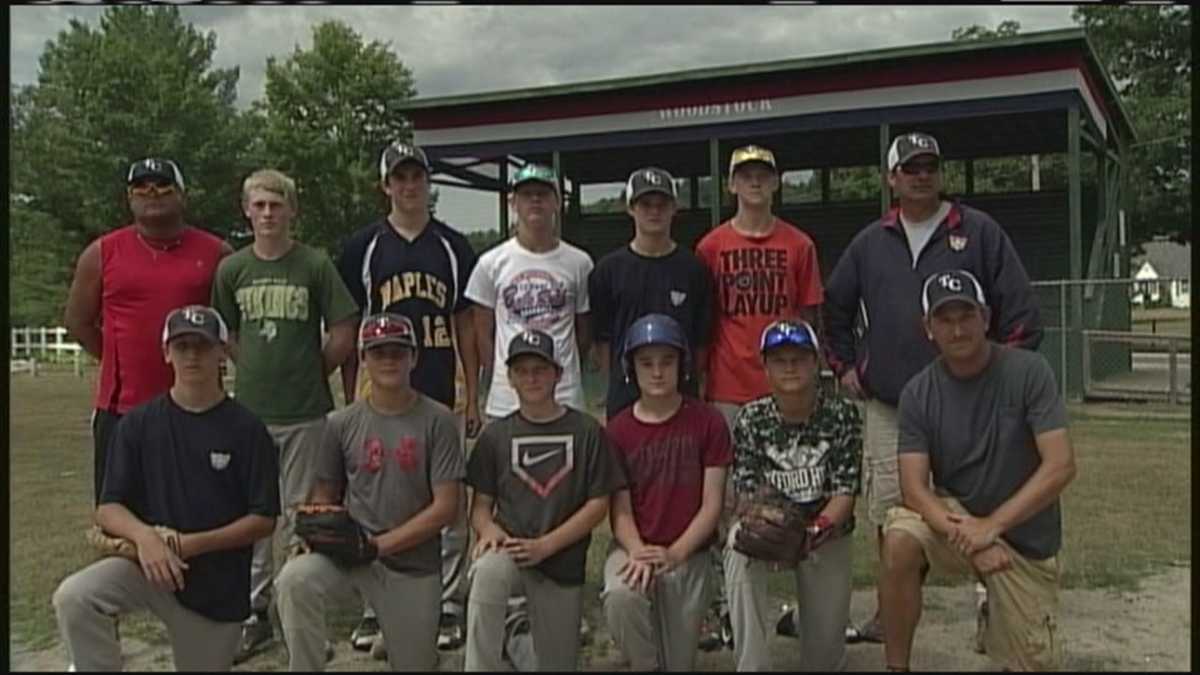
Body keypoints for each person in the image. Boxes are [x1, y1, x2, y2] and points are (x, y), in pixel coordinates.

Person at [824, 132, 1043, 646]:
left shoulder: (978, 231)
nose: (922, 175)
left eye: (930, 166)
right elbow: (833, 308)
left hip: (971, 406)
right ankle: (889, 614)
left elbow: (1022, 316)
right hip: (893, 406)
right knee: (893, 516)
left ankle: (996, 609)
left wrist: (1002, 377)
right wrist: (845, 366)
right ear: (891, 178)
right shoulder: (870, 242)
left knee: (983, 506)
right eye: (911, 167)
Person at [53, 305, 279, 671]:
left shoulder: (248, 430)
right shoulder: (138, 424)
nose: (192, 355)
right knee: (76, 596)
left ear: (223, 352)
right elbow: (108, 506)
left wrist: (189, 544)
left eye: (203, 346)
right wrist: (146, 539)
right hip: (149, 568)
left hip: (215, 587)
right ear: (166, 353)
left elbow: (263, 519)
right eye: (182, 345)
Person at [879, 269, 1075, 672]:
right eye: (944, 319)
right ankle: (896, 667)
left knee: (1033, 664)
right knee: (898, 539)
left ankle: (998, 613)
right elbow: (914, 488)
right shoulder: (918, 392)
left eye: (966, 316)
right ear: (928, 328)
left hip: (1024, 539)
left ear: (986, 318)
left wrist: (994, 527)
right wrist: (971, 536)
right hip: (959, 524)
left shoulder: (1029, 371)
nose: (957, 329)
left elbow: (1061, 466)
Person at [336, 140, 480, 651]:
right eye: (399, 177)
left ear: (428, 182)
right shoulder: (363, 247)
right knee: (377, 500)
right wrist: (351, 393)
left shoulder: (453, 246)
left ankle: (447, 602)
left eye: (417, 176)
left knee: (447, 500)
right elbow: (350, 325)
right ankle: (376, 604)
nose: (409, 185)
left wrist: (474, 394)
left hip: (439, 386)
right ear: (386, 185)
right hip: (379, 392)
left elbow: (465, 324)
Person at [210, 169, 360, 661]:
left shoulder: (314, 264)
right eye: (260, 205)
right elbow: (226, 332)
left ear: (292, 210)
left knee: (305, 516)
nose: (269, 213)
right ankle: (255, 614)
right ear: (246, 210)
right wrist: (252, 367)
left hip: (305, 412)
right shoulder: (232, 270)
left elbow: (343, 325)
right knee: (254, 516)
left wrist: (312, 369)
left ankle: (305, 625)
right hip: (250, 414)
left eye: (277, 205)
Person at [274, 312, 465, 671]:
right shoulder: (341, 423)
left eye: (397, 351)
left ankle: (400, 640)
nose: (388, 360)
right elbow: (325, 493)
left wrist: (380, 545)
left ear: (414, 357)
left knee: (415, 663)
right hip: (351, 556)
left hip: (412, 564)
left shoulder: (438, 420)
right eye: (378, 352)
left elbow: (446, 509)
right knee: (294, 579)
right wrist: (315, 531)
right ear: (363, 359)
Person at [694, 144, 825, 648]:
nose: (754, 182)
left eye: (763, 174)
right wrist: (704, 388)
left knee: (794, 497)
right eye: (744, 175)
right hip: (728, 388)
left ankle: (792, 602)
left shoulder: (799, 245)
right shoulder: (710, 247)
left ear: (776, 183)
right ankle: (730, 607)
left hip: (786, 392)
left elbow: (809, 317)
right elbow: (707, 324)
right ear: (730, 185)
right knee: (730, 506)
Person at [64, 158, 231, 505]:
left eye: (162, 185)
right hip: (122, 411)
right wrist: (117, 360)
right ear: (128, 197)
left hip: (196, 408)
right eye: (140, 186)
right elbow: (78, 322)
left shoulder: (217, 253)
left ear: (182, 195)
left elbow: (233, 327)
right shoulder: (100, 253)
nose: (151, 193)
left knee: (197, 511)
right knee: (119, 517)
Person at [463, 329, 625, 671]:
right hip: (511, 551)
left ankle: (516, 636)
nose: (531, 378)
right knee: (487, 573)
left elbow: (598, 505)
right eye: (522, 371)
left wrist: (547, 545)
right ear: (510, 378)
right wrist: (488, 530)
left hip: (561, 563)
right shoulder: (495, 436)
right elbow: (479, 507)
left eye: (540, 369)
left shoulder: (586, 432)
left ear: (558, 373)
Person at [724, 319, 862, 671]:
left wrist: (811, 532)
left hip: (825, 531)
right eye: (779, 359)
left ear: (816, 363)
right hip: (769, 524)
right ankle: (752, 665)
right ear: (765, 367)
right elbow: (746, 492)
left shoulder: (842, 414)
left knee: (824, 663)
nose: (790, 367)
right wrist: (776, 527)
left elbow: (845, 491)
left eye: (799, 358)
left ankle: (806, 624)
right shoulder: (752, 418)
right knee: (738, 545)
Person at [601, 314, 731, 671]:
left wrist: (675, 553)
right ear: (632, 369)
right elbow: (620, 510)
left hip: (688, 551)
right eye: (646, 363)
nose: (657, 372)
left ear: (682, 365)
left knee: (679, 662)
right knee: (621, 595)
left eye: (667, 362)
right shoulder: (618, 430)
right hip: (635, 545)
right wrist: (639, 552)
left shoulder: (708, 422)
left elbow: (712, 504)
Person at [466, 163, 593, 420]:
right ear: (513, 203)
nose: (535, 200)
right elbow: (483, 333)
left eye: (543, 194)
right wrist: (503, 376)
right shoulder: (490, 263)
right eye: (526, 194)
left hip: (564, 396)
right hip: (506, 402)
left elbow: (584, 331)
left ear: (558, 202)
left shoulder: (580, 263)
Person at [588, 168, 714, 420]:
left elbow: (701, 341)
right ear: (630, 208)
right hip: (627, 397)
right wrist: (619, 377)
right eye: (645, 204)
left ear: (674, 208)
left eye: (662, 204)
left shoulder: (694, 268)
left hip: (681, 395)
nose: (654, 211)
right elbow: (602, 341)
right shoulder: (608, 269)